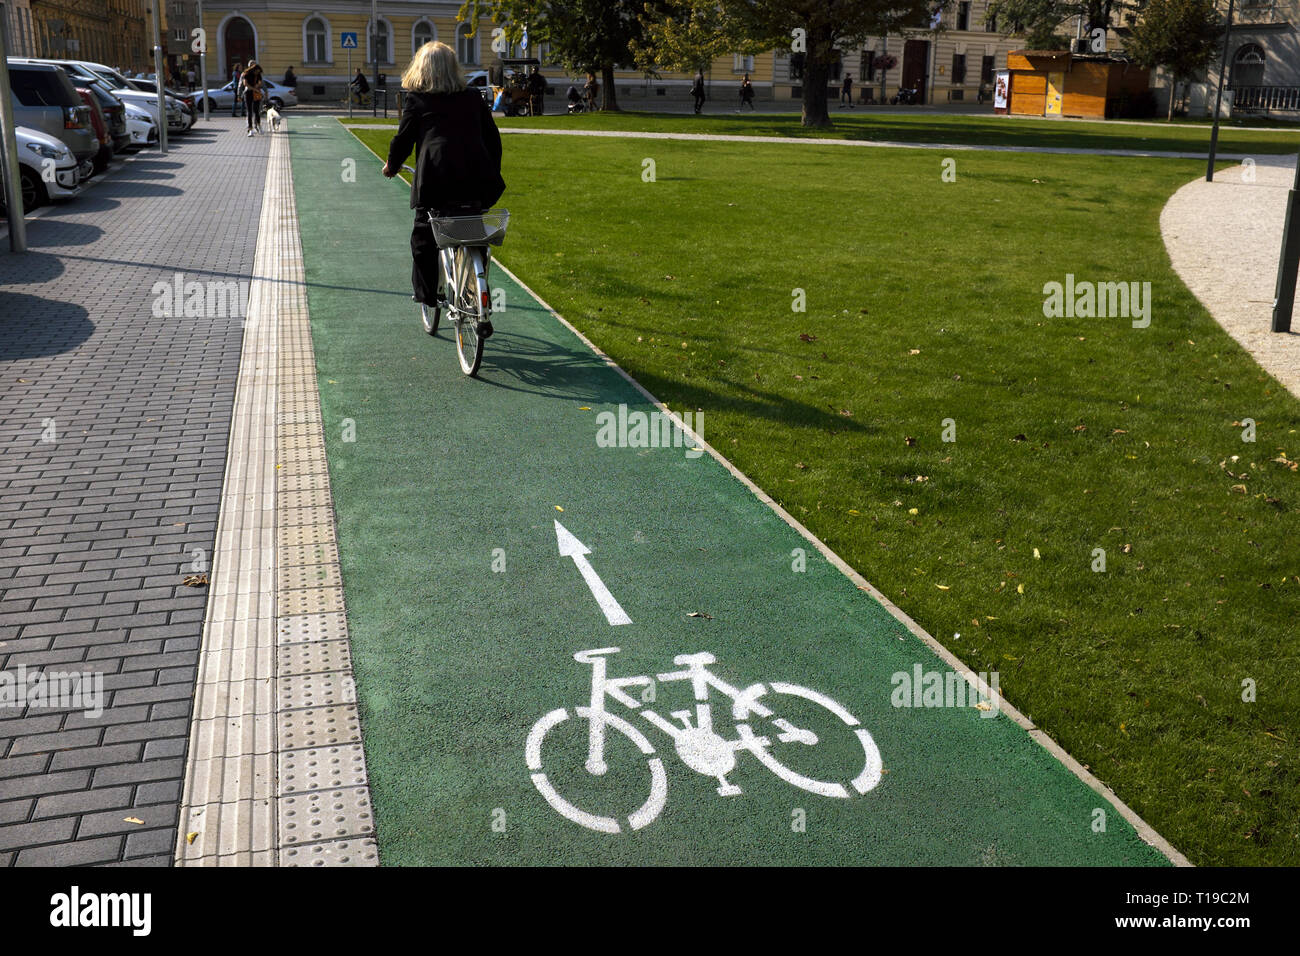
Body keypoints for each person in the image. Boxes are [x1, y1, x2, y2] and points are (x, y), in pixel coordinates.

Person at [382, 41, 506, 335]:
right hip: (476, 176)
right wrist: (491, 170)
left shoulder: (417, 100)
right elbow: (492, 139)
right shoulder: (473, 97)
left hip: (437, 179)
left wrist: (391, 165)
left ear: (421, 68)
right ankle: (477, 293)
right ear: (453, 67)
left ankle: (427, 296)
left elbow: (403, 140)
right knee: (473, 229)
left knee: (423, 238)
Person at [240, 60, 264, 135]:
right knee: (249, 111)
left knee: (257, 111)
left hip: (256, 94)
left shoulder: (258, 74)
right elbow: (245, 84)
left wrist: (257, 86)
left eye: (259, 72)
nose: (258, 73)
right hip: (248, 93)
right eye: (257, 71)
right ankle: (250, 129)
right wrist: (254, 88)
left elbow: (260, 82)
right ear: (254, 69)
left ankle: (259, 126)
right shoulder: (246, 74)